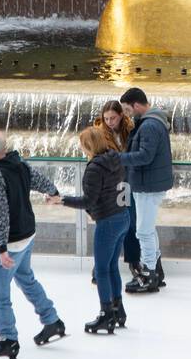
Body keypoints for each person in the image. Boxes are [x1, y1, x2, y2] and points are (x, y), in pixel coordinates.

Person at [0, 130, 66, 359]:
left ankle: (8, 340)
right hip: (28, 233)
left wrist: (2, 248)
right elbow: (40, 180)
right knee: (25, 277)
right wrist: (54, 192)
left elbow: (0, 215)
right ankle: (52, 321)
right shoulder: (19, 164)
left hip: (13, 241)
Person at [52, 125, 130, 334]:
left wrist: (62, 200)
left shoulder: (94, 168)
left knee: (102, 269)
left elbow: (88, 200)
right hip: (123, 216)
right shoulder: (116, 158)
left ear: (87, 146)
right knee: (112, 266)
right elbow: (124, 188)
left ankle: (106, 315)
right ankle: (118, 310)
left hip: (108, 222)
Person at [117, 87, 173, 294]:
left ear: (136, 105)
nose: (126, 114)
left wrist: (118, 158)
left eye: (127, 109)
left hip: (148, 185)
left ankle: (149, 274)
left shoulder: (149, 126)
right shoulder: (153, 122)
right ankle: (156, 271)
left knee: (143, 231)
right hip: (149, 183)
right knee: (148, 229)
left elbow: (144, 156)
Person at [90, 100, 142, 285]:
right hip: (109, 186)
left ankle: (134, 261)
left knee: (130, 223)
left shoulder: (131, 129)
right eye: (106, 118)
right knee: (107, 226)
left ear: (121, 116)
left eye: (113, 118)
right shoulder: (98, 134)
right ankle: (99, 268)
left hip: (127, 184)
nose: (110, 121)